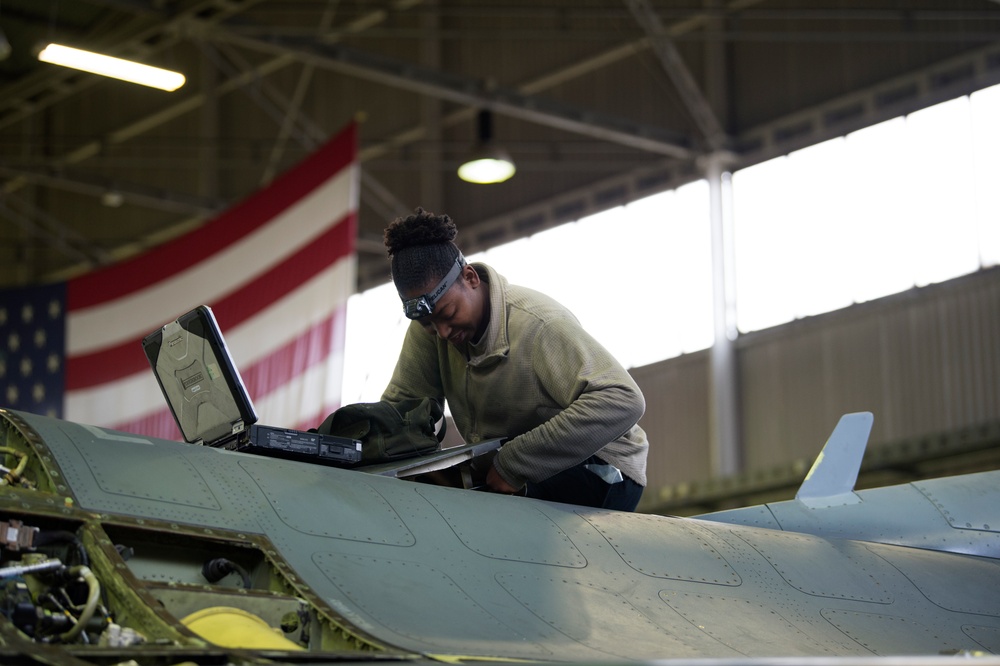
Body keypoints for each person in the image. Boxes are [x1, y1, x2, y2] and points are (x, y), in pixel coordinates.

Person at [381, 208, 648, 511]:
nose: (442, 332)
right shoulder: (433, 330)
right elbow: (401, 413)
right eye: (427, 323)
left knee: (482, 514)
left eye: (449, 315)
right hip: (505, 465)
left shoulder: (538, 325)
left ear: (469, 278)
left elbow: (624, 399)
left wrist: (515, 463)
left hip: (602, 465)